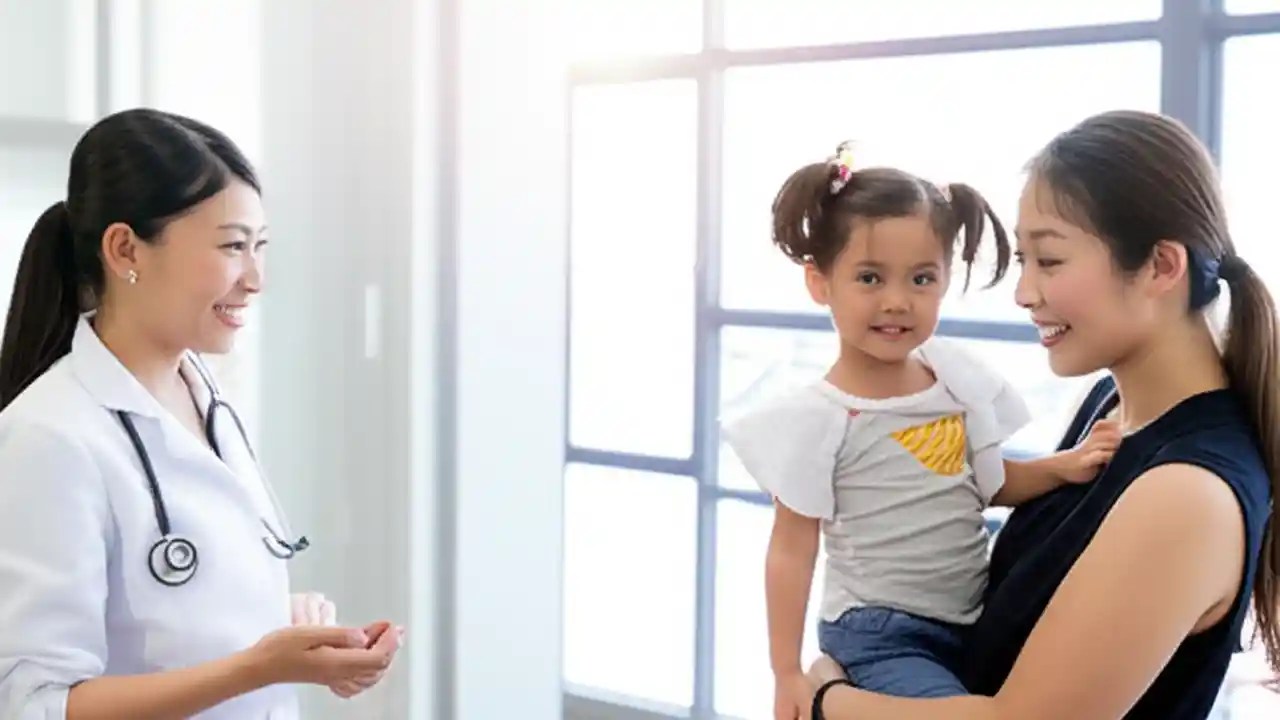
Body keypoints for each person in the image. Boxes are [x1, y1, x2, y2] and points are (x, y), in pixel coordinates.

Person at [804, 110, 1279, 720]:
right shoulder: (1111, 411)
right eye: (1023, 260)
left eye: (1049, 261)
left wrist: (826, 697)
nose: (1025, 292)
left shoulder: (1187, 492)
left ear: (1162, 266)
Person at [0, 108, 403, 719]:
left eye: (260, 246)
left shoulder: (205, 393)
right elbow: (38, 705)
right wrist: (258, 667)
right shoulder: (48, 437)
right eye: (233, 246)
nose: (256, 278)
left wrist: (283, 626)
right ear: (125, 248)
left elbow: (177, 619)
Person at [720, 143, 1121, 720]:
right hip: (879, 631)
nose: (897, 301)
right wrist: (786, 670)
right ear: (819, 282)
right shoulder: (820, 418)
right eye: (869, 277)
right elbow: (791, 547)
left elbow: (979, 482)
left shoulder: (955, 382)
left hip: (970, 619)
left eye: (921, 278)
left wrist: (1062, 468)